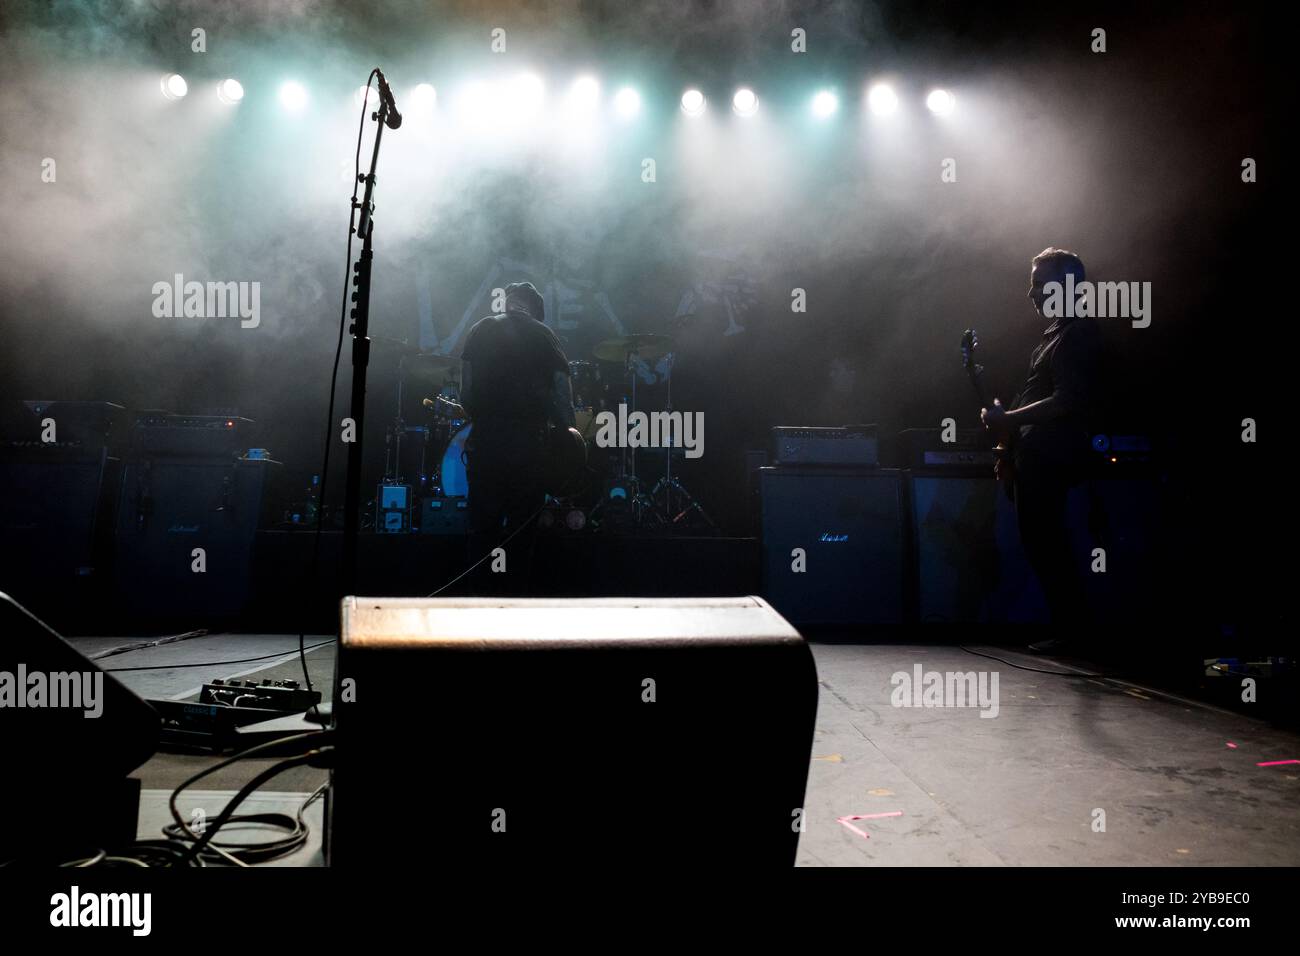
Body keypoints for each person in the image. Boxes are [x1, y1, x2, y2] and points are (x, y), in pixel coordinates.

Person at [981, 247, 1103, 652]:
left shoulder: (1077, 334)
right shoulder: (1057, 335)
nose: (1031, 294)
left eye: (1038, 284)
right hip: (1037, 455)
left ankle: (1074, 634)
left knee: (1047, 542)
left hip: (1051, 457)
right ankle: (1072, 631)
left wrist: (1009, 421)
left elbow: (1067, 400)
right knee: (1042, 542)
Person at [458, 282, 575, 588]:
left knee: (482, 529)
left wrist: (483, 418)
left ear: (508, 303)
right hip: (528, 446)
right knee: (522, 531)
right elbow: (561, 389)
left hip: (486, 444)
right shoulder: (543, 333)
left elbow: (466, 390)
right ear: (535, 309)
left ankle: (477, 606)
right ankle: (514, 603)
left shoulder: (480, 329)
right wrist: (568, 435)